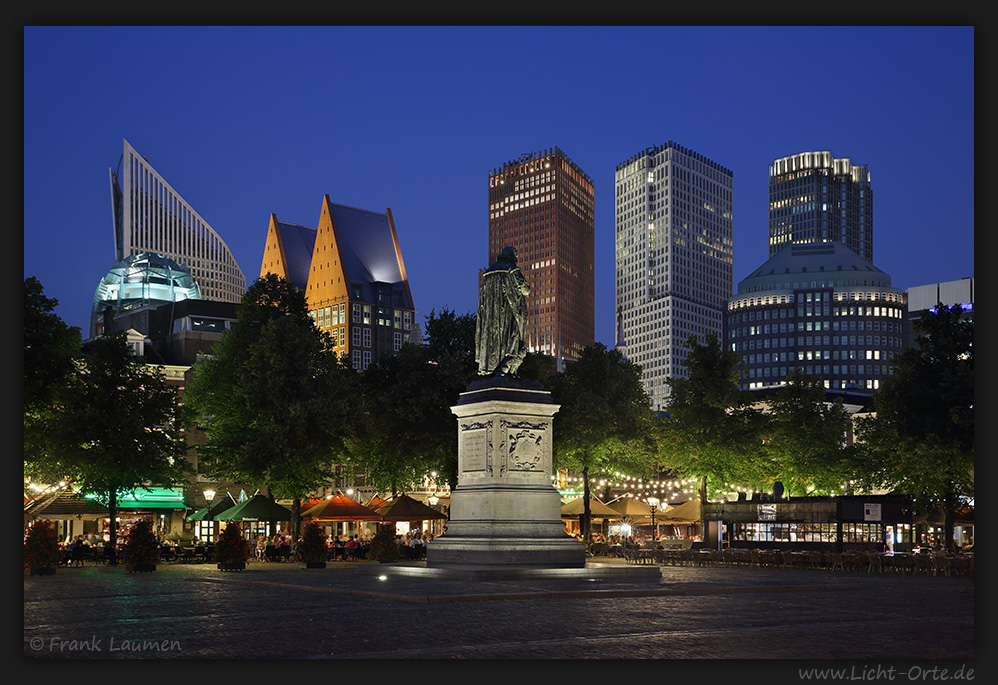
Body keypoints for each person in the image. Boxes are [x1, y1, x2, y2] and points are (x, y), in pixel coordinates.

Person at [475, 246, 531, 377]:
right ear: (511, 256)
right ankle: (506, 370)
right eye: (516, 255)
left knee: (492, 340)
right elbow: (525, 290)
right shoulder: (511, 268)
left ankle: (490, 369)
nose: (517, 258)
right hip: (507, 311)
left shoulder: (488, 273)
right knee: (511, 336)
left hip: (490, 316)